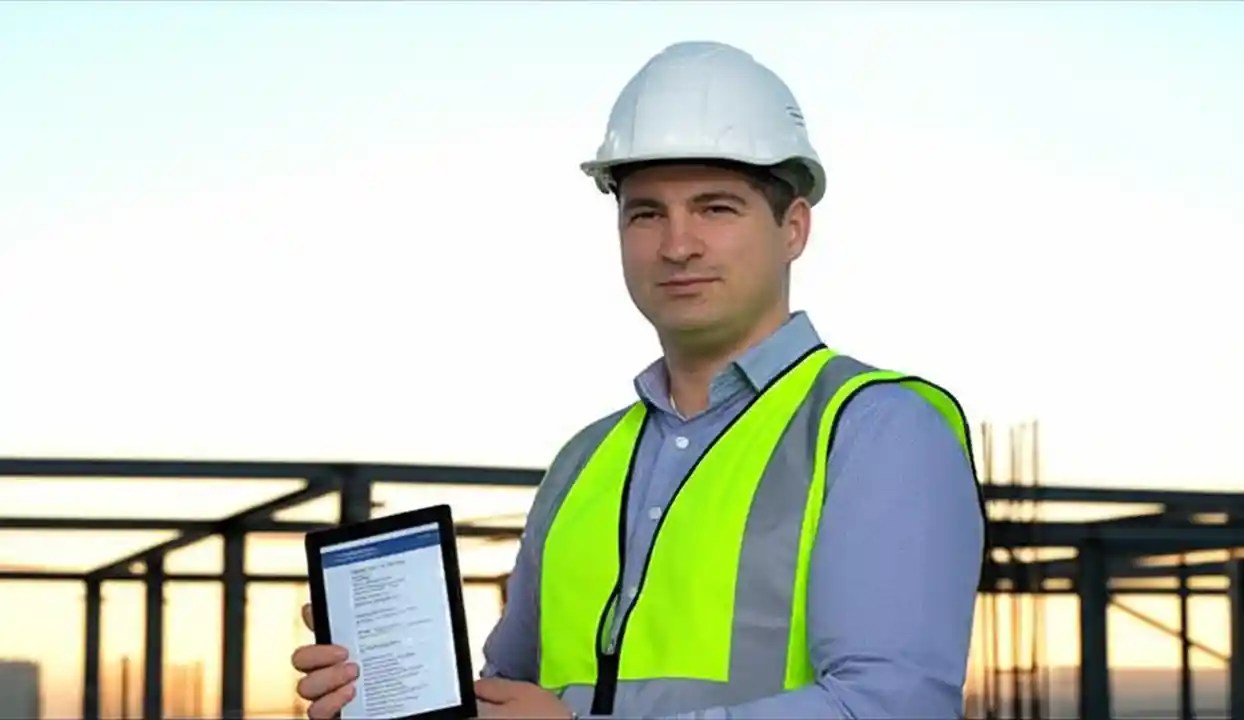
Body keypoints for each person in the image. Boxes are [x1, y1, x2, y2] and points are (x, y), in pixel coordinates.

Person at [292, 40, 985, 719]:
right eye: (646, 212)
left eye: (716, 208)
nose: (677, 244)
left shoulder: (876, 429)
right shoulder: (583, 463)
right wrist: (388, 692)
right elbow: (515, 690)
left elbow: (889, 706)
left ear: (794, 229)